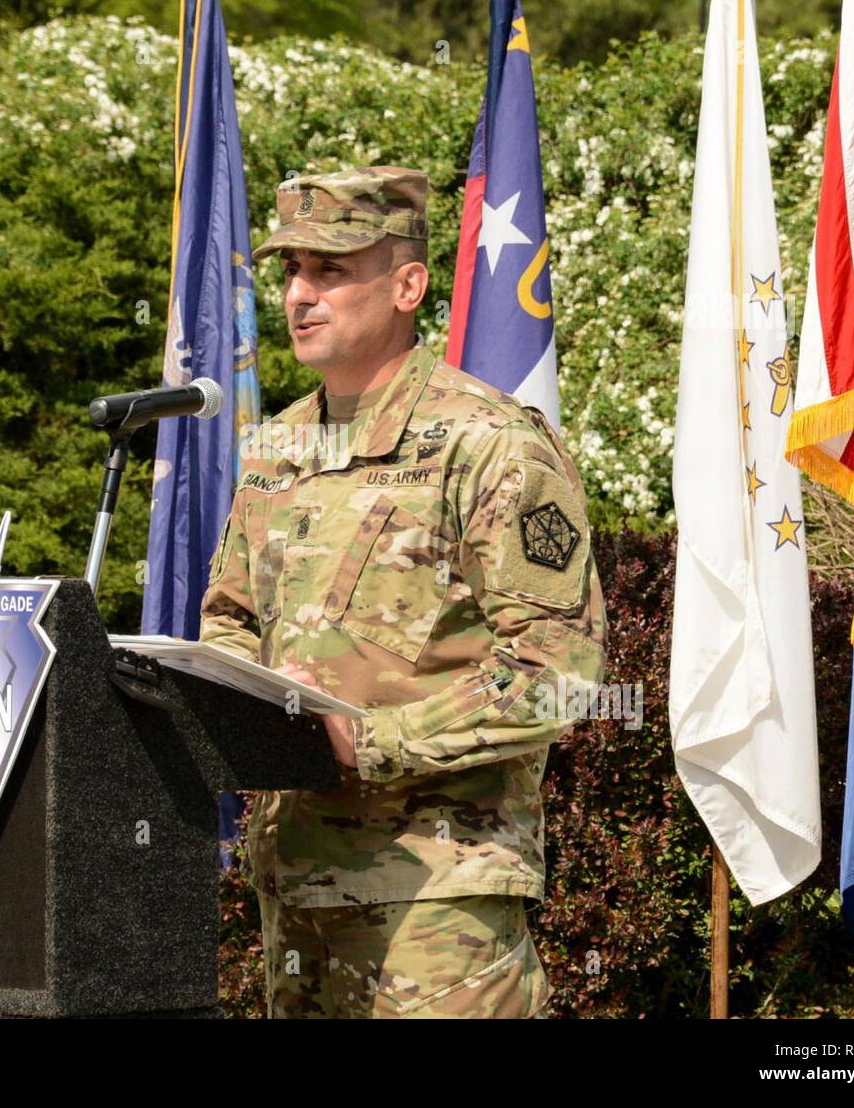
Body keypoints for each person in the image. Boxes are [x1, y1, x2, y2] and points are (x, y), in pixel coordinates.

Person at [199, 165, 607, 1018]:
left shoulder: (489, 442)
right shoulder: (276, 447)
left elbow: (557, 672)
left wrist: (369, 740)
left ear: (408, 285)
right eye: (291, 272)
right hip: (294, 896)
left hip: (437, 911)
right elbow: (230, 622)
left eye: (331, 271)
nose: (300, 295)